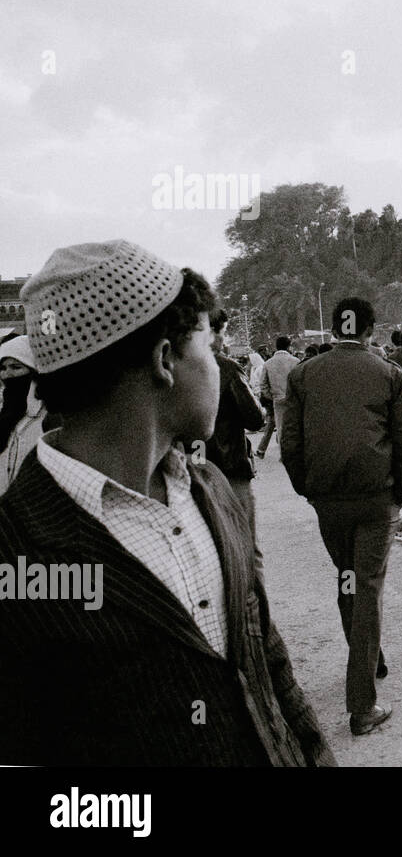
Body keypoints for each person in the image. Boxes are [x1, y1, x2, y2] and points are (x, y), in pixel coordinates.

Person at [0, 240, 333, 765]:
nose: (219, 369)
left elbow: (268, 664)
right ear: (164, 361)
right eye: (208, 347)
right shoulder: (16, 557)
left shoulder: (211, 490)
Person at [280, 296, 402, 736]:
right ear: (369, 330)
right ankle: (362, 706)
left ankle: (370, 658)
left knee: (348, 578)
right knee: (367, 589)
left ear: (336, 328)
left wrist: (308, 488)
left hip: (329, 500)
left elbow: (290, 445)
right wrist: (401, 492)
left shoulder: (305, 374)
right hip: (375, 500)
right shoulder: (389, 373)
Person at [205, 309, 264, 532]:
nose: (225, 338)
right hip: (229, 466)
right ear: (212, 332)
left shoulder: (174, 364)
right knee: (245, 542)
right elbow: (255, 419)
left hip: (191, 468)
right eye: (224, 332)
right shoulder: (226, 367)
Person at [0, 336, 44, 496]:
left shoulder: (49, 417)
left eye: (16, 367)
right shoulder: (5, 414)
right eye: (3, 368)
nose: (7, 374)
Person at [255, 335, 298, 458]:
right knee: (293, 426)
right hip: (293, 398)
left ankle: (282, 454)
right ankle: (293, 452)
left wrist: (271, 395)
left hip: (277, 399)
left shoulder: (268, 363)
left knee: (279, 427)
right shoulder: (295, 361)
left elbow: (262, 383)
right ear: (289, 346)